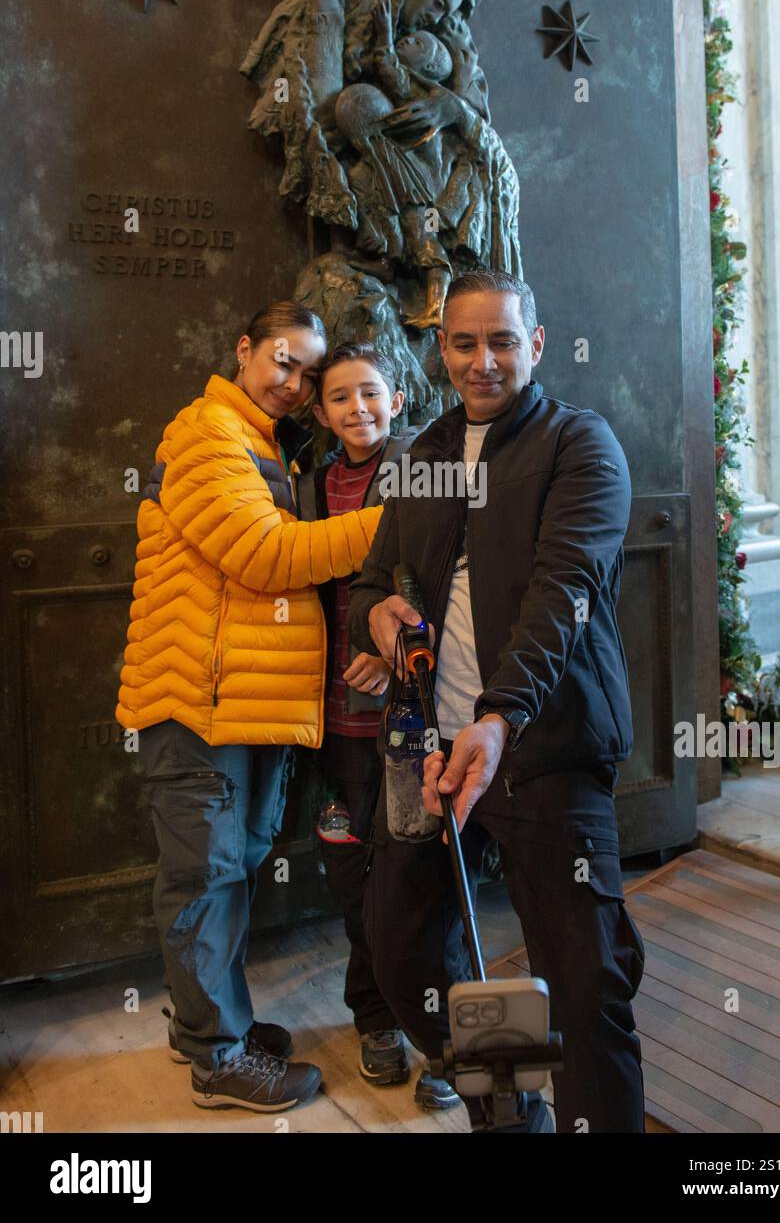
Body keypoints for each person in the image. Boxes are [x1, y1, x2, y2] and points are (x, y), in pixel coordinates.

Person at [348, 268, 646, 1134]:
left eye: (503, 340)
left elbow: (565, 591)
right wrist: (377, 612)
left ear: (536, 345)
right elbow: (370, 577)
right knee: (402, 955)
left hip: (541, 750)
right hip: (433, 757)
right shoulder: (425, 456)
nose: (484, 360)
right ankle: (507, 1108)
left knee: (586, 984)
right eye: (465, 342)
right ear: (440, 351)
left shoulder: (578, 445)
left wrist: (498, 713)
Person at [115, 301, 383, 1113]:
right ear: (245, 350)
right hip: (200, 701)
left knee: (228, 868)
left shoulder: (261, 442)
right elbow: (265, 556)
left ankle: (207, 1025)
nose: (295, 383)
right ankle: (216, 1057)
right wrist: (400, 524)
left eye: (309, 373)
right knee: (206, 874)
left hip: (242, 703)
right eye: (283, 360)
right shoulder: (205, 434)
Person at [297, 342, 458, 1109]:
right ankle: (375, 1021)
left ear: (397, 397)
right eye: (338, 398)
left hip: (406, 716)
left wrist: (386, 647)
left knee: (423, 880)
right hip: (332, 723)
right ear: (320, 412)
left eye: (370, 393)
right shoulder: (309, 486)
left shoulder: (423, 469)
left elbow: (446, 583)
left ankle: (447, 1039)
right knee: (349, 876)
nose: (357, 409)